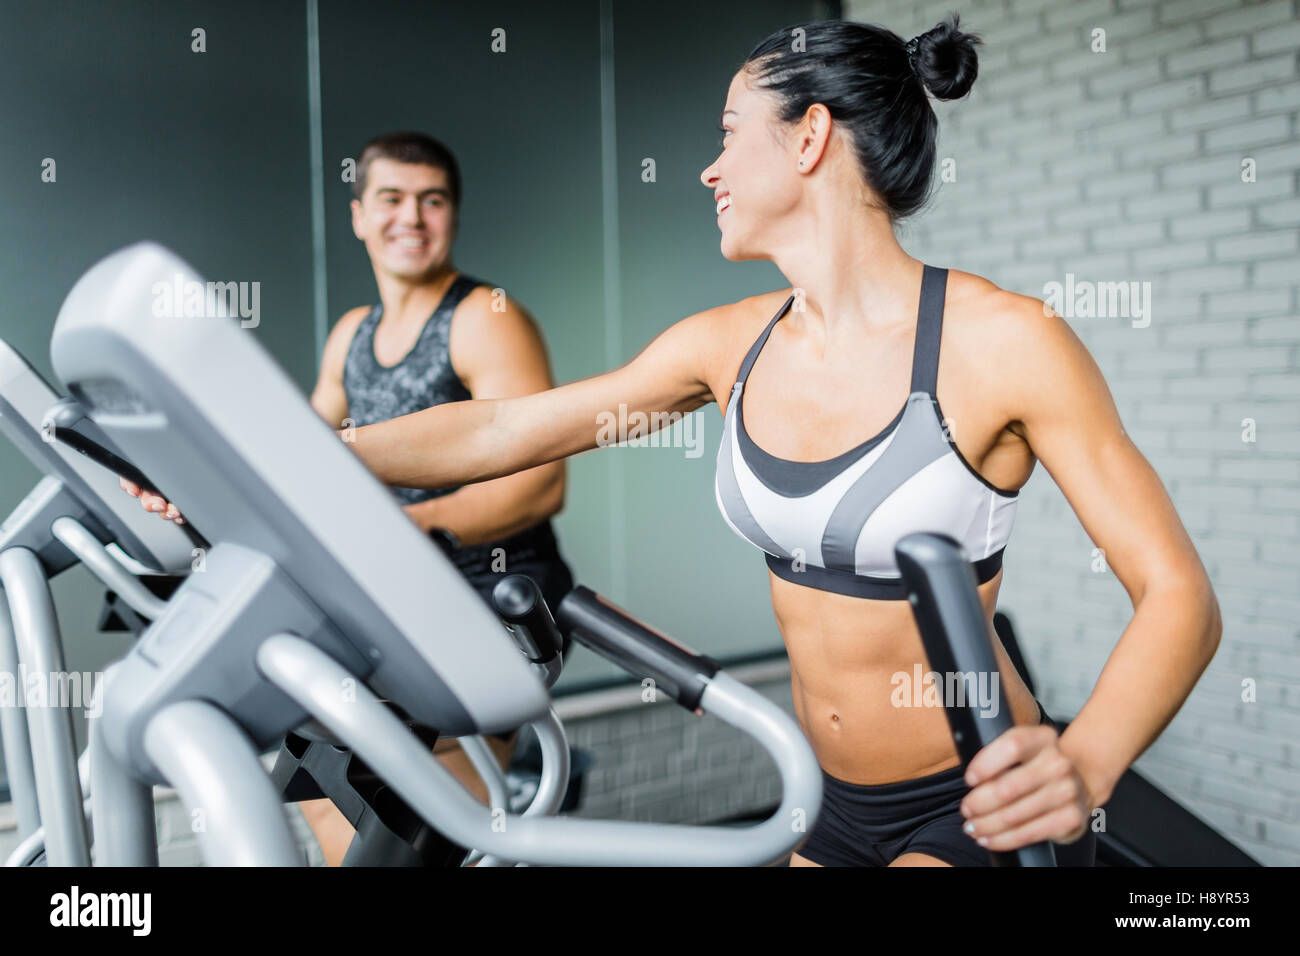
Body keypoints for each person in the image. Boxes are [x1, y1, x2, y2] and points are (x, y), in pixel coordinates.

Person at [131, 17, 1223, 867]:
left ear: (808, 137)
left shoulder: (1003, 342)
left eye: (727, 134)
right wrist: (269, 457)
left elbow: (1177, 594)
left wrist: (1081, 763)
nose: (706, 168)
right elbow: (508, 425)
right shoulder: (726, 344)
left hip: (979, 794)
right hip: (833, 802)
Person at [125, 130, 575, 865]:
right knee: (317, 785)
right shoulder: (350, 336)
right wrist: (188, 486)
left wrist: (395, 531)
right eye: (392, 200)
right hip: (390, 596)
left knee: (427, 830)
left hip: (492, 593)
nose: (412, 218)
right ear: (360, 215)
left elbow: (539, 483)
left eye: (433, 201)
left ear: (453, 216)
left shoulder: (484, 317)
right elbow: (295, 461)